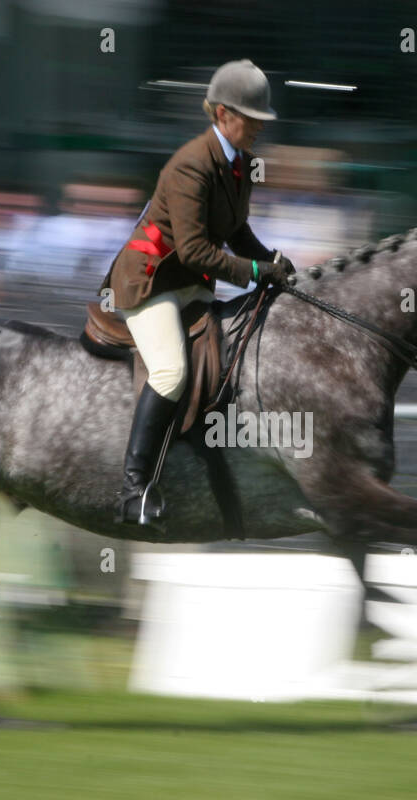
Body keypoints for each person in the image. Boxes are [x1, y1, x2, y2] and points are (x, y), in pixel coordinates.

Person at [100, 59, 295, 527]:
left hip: (191, 281)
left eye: (261, 121)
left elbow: (235, 229)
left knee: (230, 356)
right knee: (170, 372)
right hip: (151, 280)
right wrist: (254, 270)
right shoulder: (191, 164)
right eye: (252, 119)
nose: (258, 129)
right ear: (223, 114)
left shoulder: (241, 164)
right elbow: (193, 250)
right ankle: (134, 490)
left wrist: (272, 260)